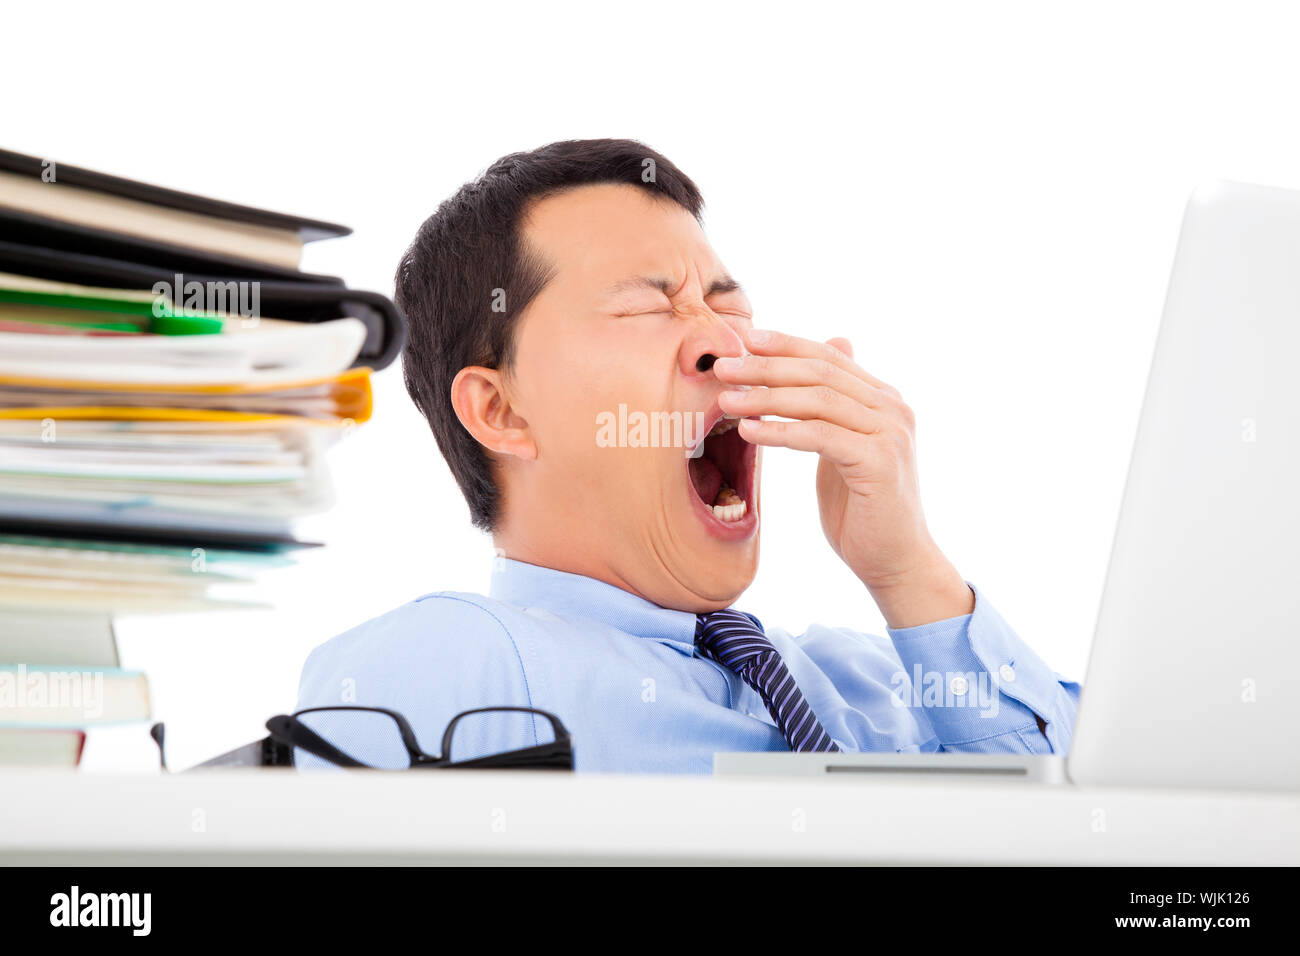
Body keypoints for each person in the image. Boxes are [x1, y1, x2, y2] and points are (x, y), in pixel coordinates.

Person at [296, 139, 1080, 772]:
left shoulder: (879, 681)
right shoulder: (453, 666)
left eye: (726, 301)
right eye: (646, 303)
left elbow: (1090, 833)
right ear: (501, 410)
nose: (725, 340)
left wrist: (907, 571)